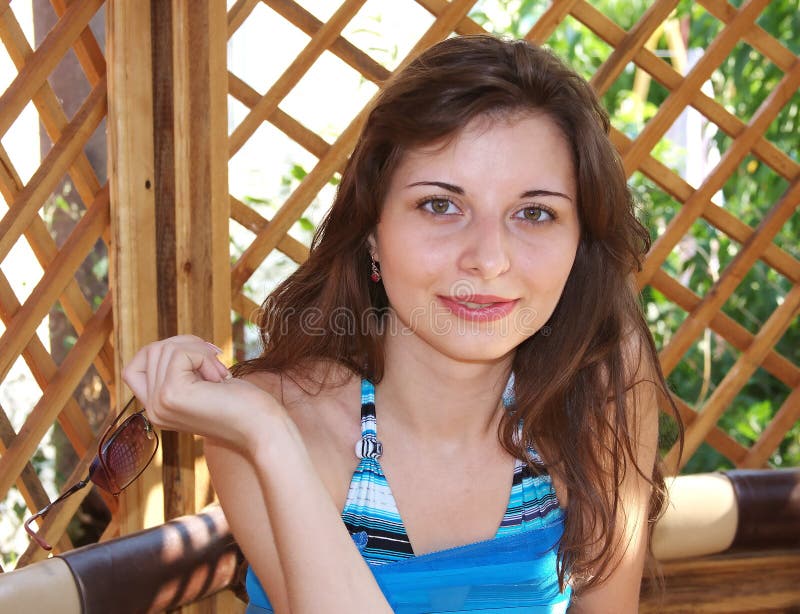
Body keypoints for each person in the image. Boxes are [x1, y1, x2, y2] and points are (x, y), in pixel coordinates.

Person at [123, 34, 679, 613]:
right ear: (371, 230)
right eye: (441, 205)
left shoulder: (597, 386)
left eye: (535, 213)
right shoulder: (276, 422)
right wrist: (268, 437)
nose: (488, 259)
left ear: (578, 244)